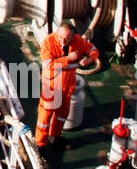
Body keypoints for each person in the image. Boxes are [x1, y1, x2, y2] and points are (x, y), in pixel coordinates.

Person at [36, 21, 98, 150]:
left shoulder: (79, 41)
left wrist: (89, 59)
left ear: (73, 37)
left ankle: (55, 137)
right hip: (52, 86)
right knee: (45, 117)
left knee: (62, 114)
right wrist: (68, 58)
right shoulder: (48, 43)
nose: (63, 42)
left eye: (67, 39)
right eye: (60, 38)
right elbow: (48, 66)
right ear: (57, 33)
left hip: (67, 86)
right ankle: (40, 144)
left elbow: (93, 50)